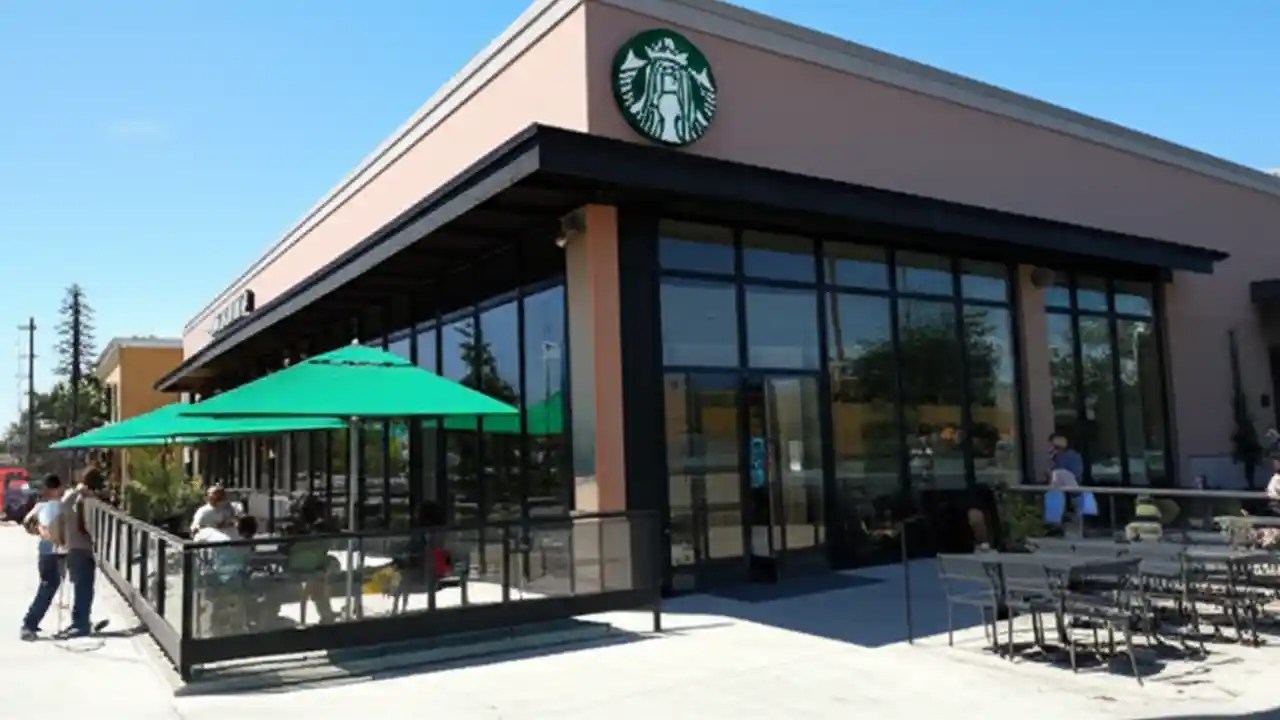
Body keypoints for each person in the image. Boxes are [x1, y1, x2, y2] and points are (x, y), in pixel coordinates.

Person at [58, 467, 108, 638]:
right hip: (79, 547)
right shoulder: (79, 498)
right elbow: (63, 507)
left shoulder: (86, 498)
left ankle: (82, 621)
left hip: (82, 547)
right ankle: (80, 623)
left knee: (84, 587)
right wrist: (80, 491)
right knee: (83, 587)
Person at [19, 475, 64, 640]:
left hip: (45, 551)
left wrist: (38, 529)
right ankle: (29, 623)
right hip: (53, 551)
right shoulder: (57, 506)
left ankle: (31, 622)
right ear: (57, 489)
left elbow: (26, 522)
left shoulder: (40, 505)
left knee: (49, 585)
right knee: (48, 586)